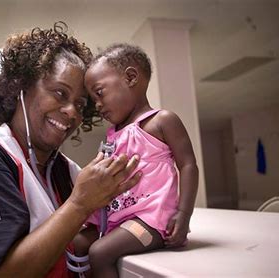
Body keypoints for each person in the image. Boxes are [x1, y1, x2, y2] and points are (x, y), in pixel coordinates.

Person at [0, 23, 142, 278]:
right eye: (60, 93)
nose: (72, 111)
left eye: (80, 104)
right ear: (22, 87)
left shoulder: (64, 171)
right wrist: (80, 204)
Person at [73, 43, 199, 277]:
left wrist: (184, 214)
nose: (98, 105)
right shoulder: (113, 134)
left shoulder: (162, 121)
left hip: (151, 221)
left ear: (131, 77)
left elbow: (188, 165)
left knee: (100, 253)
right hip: (116, 218)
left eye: (99, 93)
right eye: (93, 99)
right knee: (76, 243)